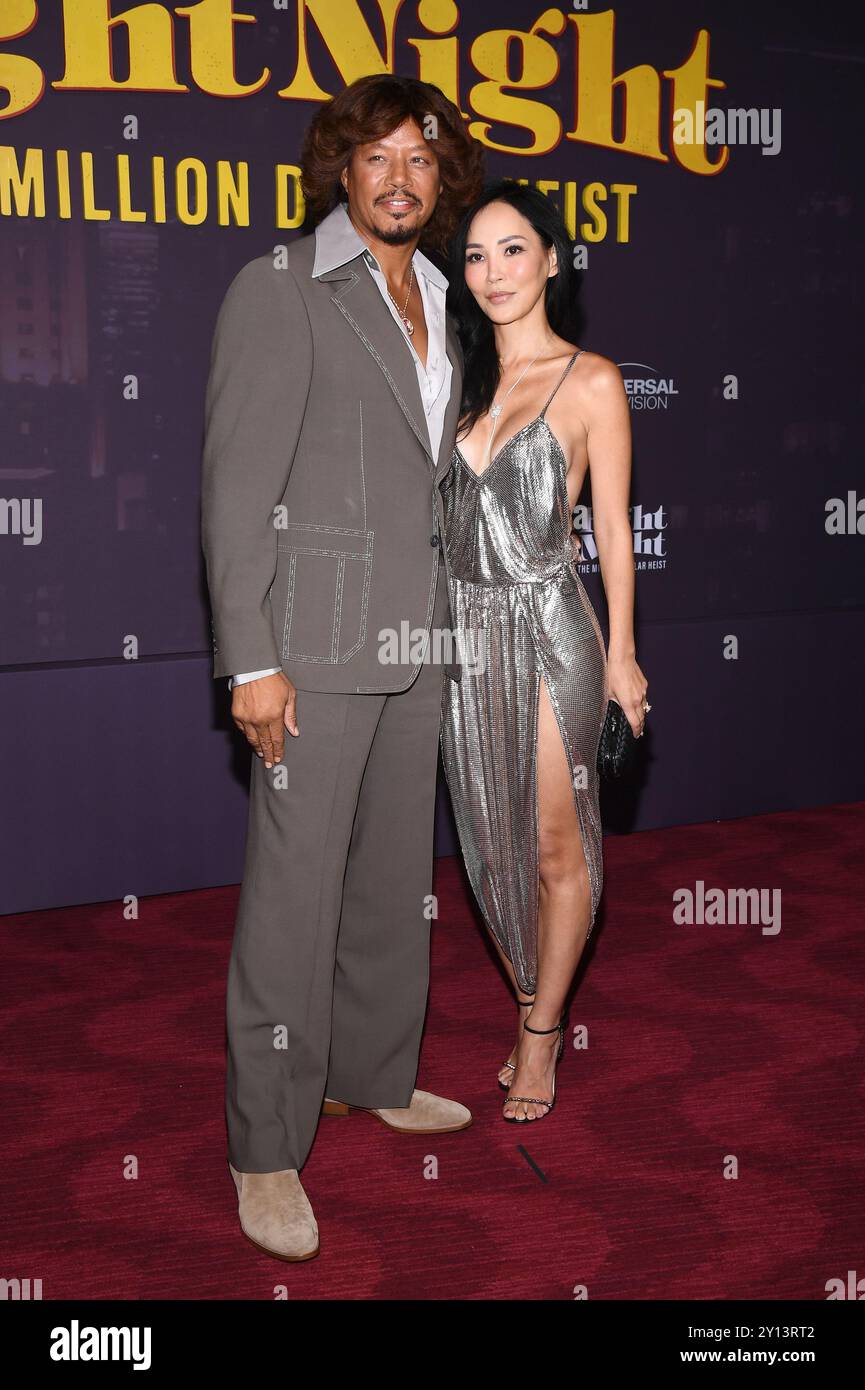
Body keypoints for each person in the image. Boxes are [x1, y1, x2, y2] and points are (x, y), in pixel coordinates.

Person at [201, 74, 485, 1260]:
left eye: (419, 159)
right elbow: (233, 487)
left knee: (386, 887)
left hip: (417, 640)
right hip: (308, 648)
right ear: (341, 168)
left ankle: (374, 1071)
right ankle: (263, 1145)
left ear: (440, 179)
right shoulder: (279, 289)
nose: (399, 178)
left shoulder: (443, 295)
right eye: (377, 158)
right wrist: (249, 659)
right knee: (291, 900)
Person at [439, 180, 649, 1124]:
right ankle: (532, 986)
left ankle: (541, 1031)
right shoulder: (452, 377)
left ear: (552, 260)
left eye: (512, 250)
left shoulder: (592, 379)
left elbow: (611, 533)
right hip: (459, 638)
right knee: (490, 842)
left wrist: (623, 658)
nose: (493, 273)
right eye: (476, 256)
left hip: (547, 628)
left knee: (557, 845)